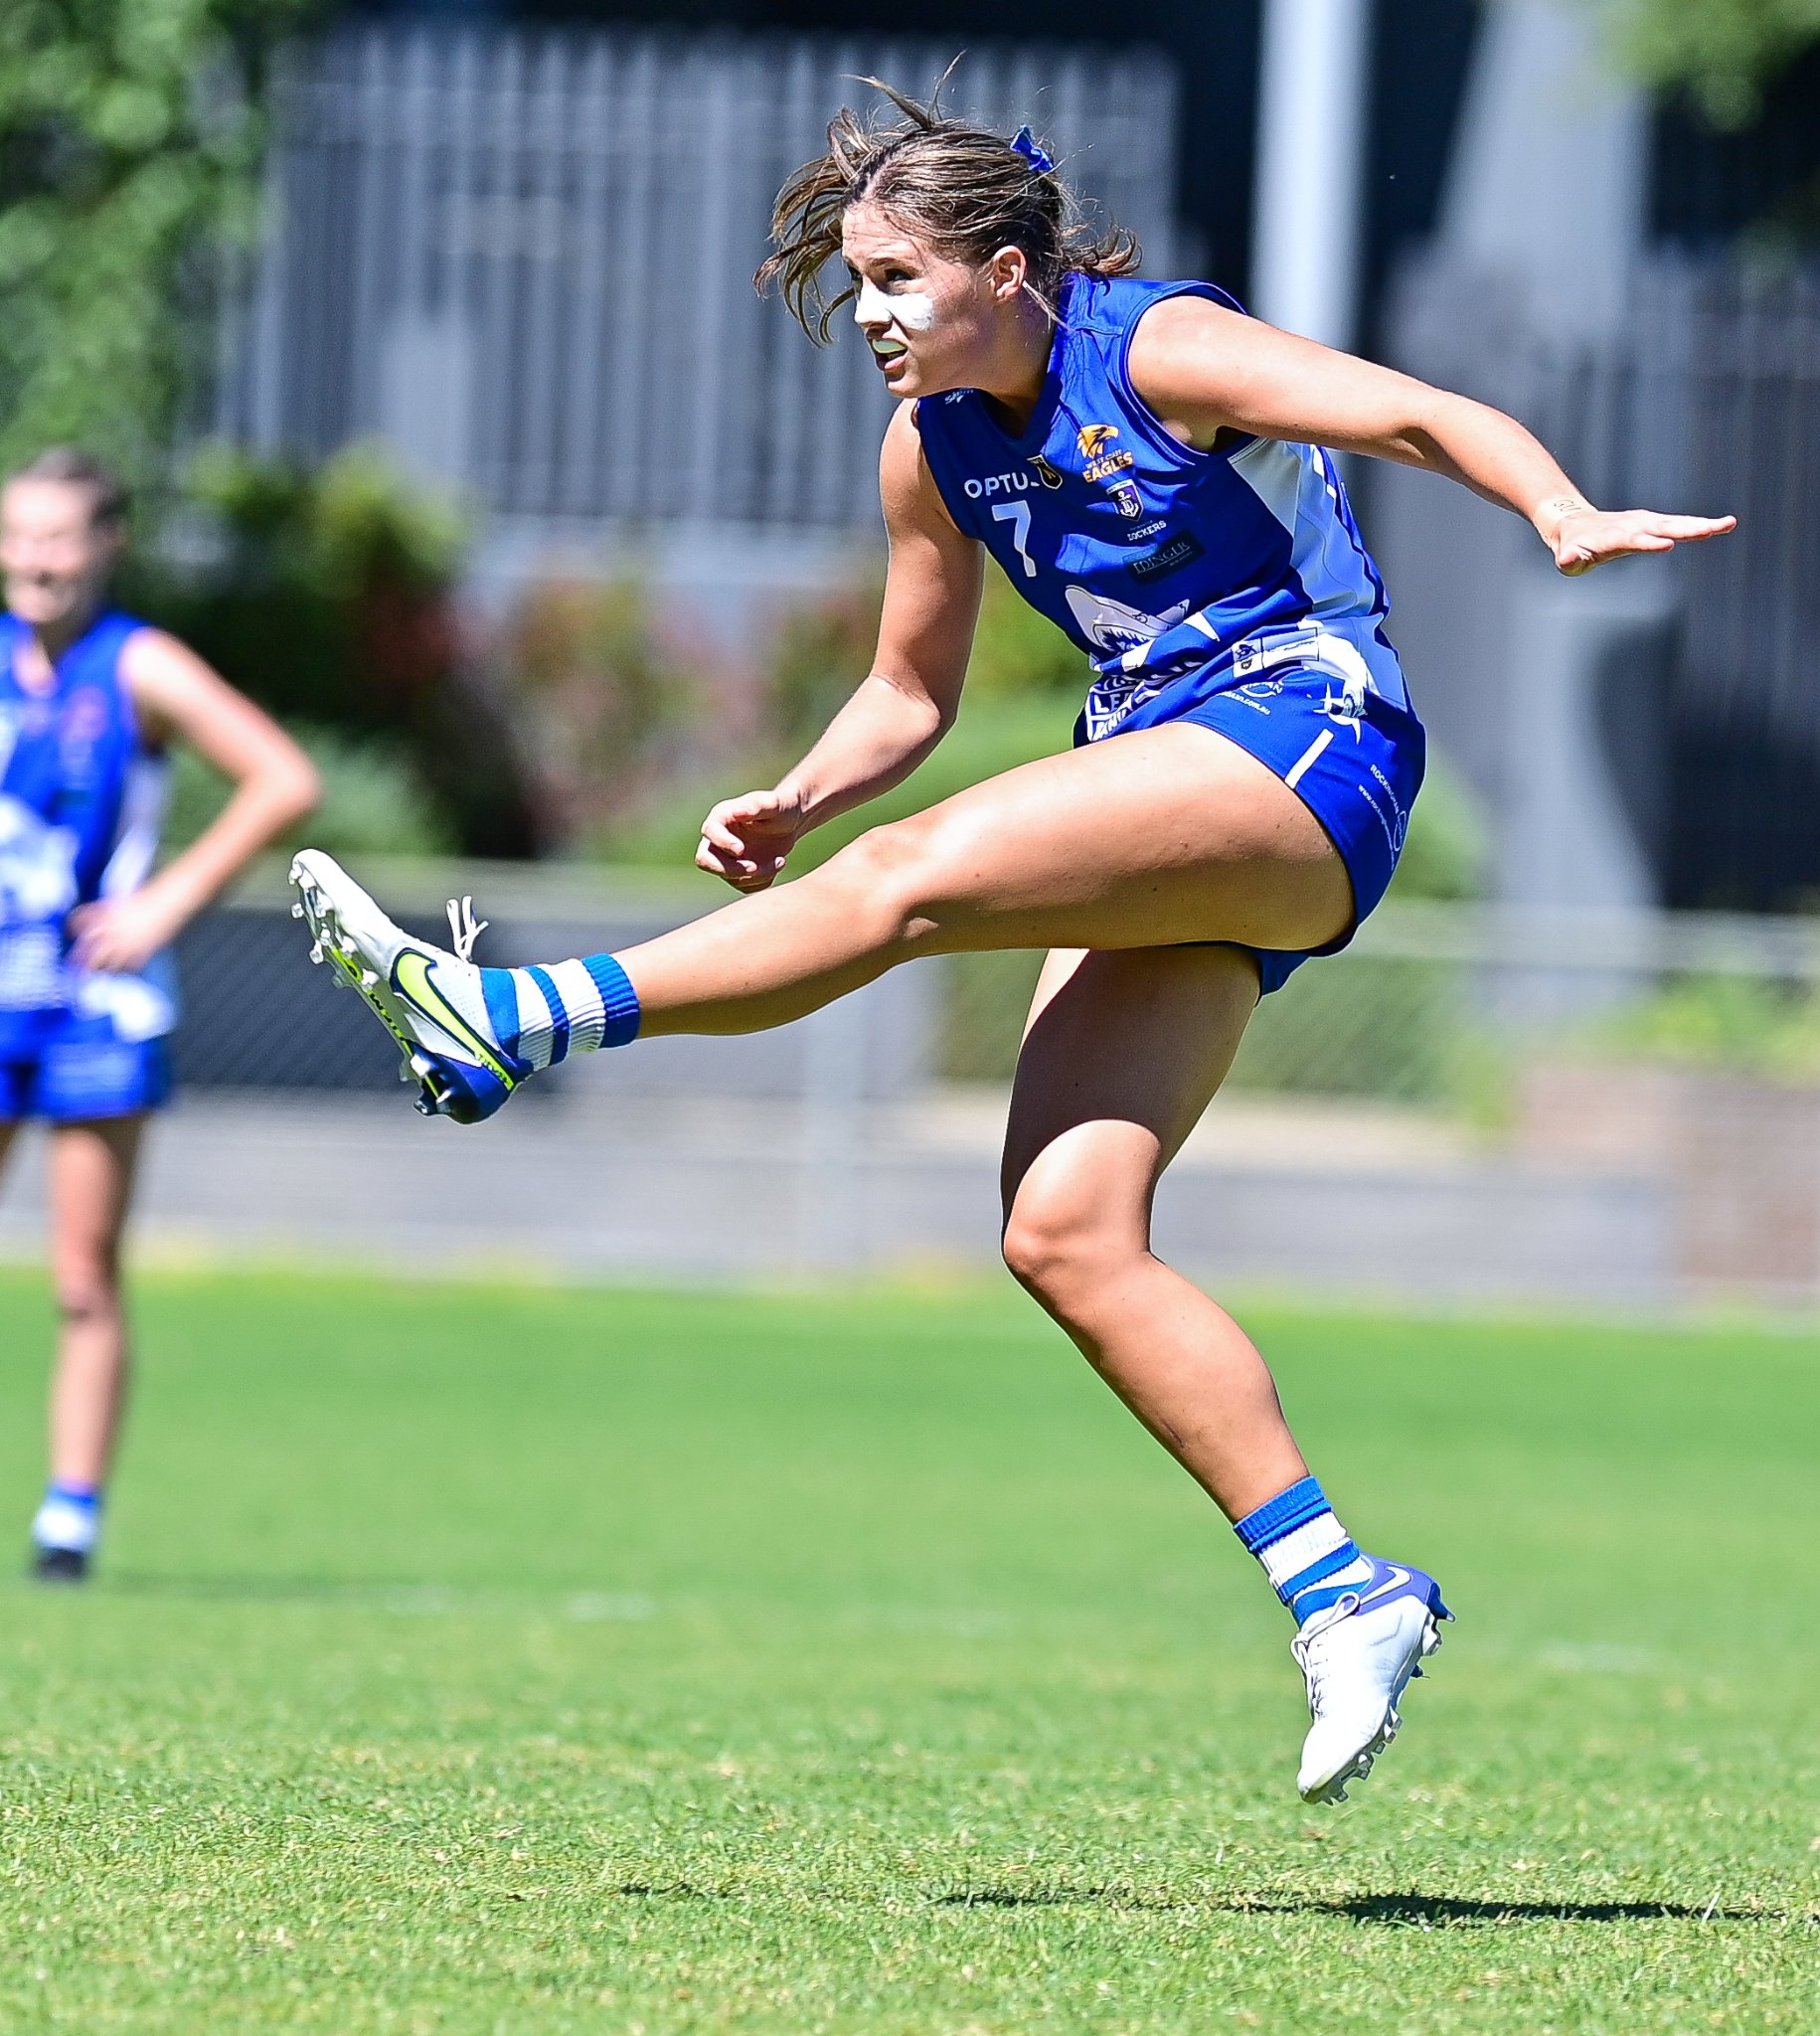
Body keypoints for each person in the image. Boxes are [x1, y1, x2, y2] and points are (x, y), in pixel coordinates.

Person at [292, 89, 1733, 1800]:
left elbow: (1409, 414)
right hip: (1157, 766)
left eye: (898, 279)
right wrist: (797, 792)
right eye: (860, 286)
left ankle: (516, 1015)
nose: (875, 318)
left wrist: (1552, 504)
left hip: (1304, 731)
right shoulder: (934, 447)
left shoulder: (1162, 349)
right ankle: (1345, 1592)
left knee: (914, 882)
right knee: (1061, 1233)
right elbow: (910, 691)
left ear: (1005, 266)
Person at [2, 448, 321, 1583]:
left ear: (104, 546)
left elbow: (282, 777)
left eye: (59, 536)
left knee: (84, 1272)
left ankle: (69, 1516)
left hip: (92, 1004)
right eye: (19, 534)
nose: (36, 558)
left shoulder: (135, 666)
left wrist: (169, 898)